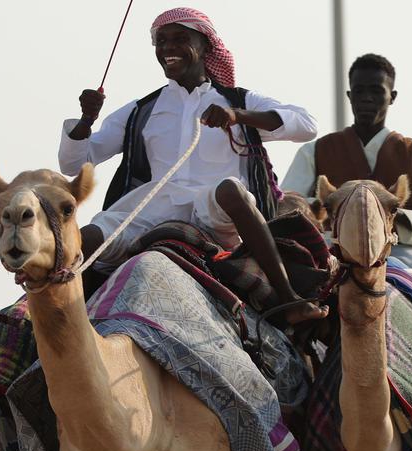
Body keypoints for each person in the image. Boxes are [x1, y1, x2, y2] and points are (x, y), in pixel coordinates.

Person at [59, 8, 325, 322]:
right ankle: (71, 325)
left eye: (180, 39)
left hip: (213, 211)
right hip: (155, 208)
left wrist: (238, 116)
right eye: (161, 41)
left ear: (205, 47)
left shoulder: (236, 99)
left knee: (230, 189)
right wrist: (87, 121)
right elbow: (74, 163)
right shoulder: (141, 110)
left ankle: (288, 298)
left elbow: (307, 125)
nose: (168, 48)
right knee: (85, 237)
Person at [281, 53, 412, 301]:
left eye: (376, 91)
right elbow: (288, 208)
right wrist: (329, 212)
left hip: (400, 253)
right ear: (350, 96)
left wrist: (388, 216)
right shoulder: (314, 151)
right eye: (359, 91)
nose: (367, 99)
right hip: (329, 249)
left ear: (392, 97)